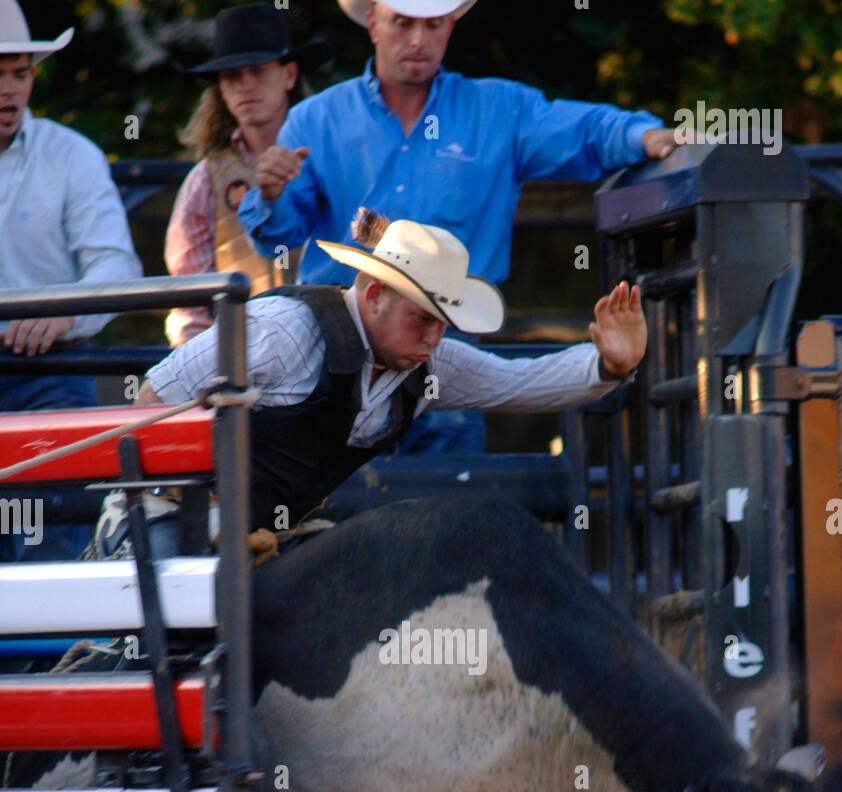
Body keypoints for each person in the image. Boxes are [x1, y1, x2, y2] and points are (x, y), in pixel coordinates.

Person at [235, 0, 675, 453]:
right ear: (373, 23)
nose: (418, 40)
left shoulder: (499, 109)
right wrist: (270, 196)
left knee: (438, 500)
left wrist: (643, 136)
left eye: (433, 24)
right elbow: (276, 237)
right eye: (403, 22)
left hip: (440, 347)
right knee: (363, 495)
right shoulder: (316, 118)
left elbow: (583, 130)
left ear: (451, 26)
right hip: (344, 350)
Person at [93, 214, 646, 560]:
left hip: (260, 540)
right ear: (374, 294)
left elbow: (517, 382)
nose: (434, 338)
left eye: (442, 323)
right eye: (422, 318)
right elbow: (154, 400)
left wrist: (609, 366)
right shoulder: (282, 330)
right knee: (174, 628)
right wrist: (212, 525)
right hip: (164, 514)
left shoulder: (425, 365)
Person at [0, 0, 142, 562]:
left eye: (19, 73)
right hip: (52, 377)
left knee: (52, 542)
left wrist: (65, 313)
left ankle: (51, 647)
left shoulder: (73, 156)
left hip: (53, 373)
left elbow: (116, 268)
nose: (10, 90)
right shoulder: (75, 155)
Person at [164, 3, 332, 348]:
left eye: (257, 71)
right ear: (220, 90)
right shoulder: (205, 180)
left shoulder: (331, 158)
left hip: (332, 350)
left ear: (289, 75)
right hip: (240, 360)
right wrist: (199, 366)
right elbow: (191, 301)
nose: (245, 85)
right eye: (231, 76)